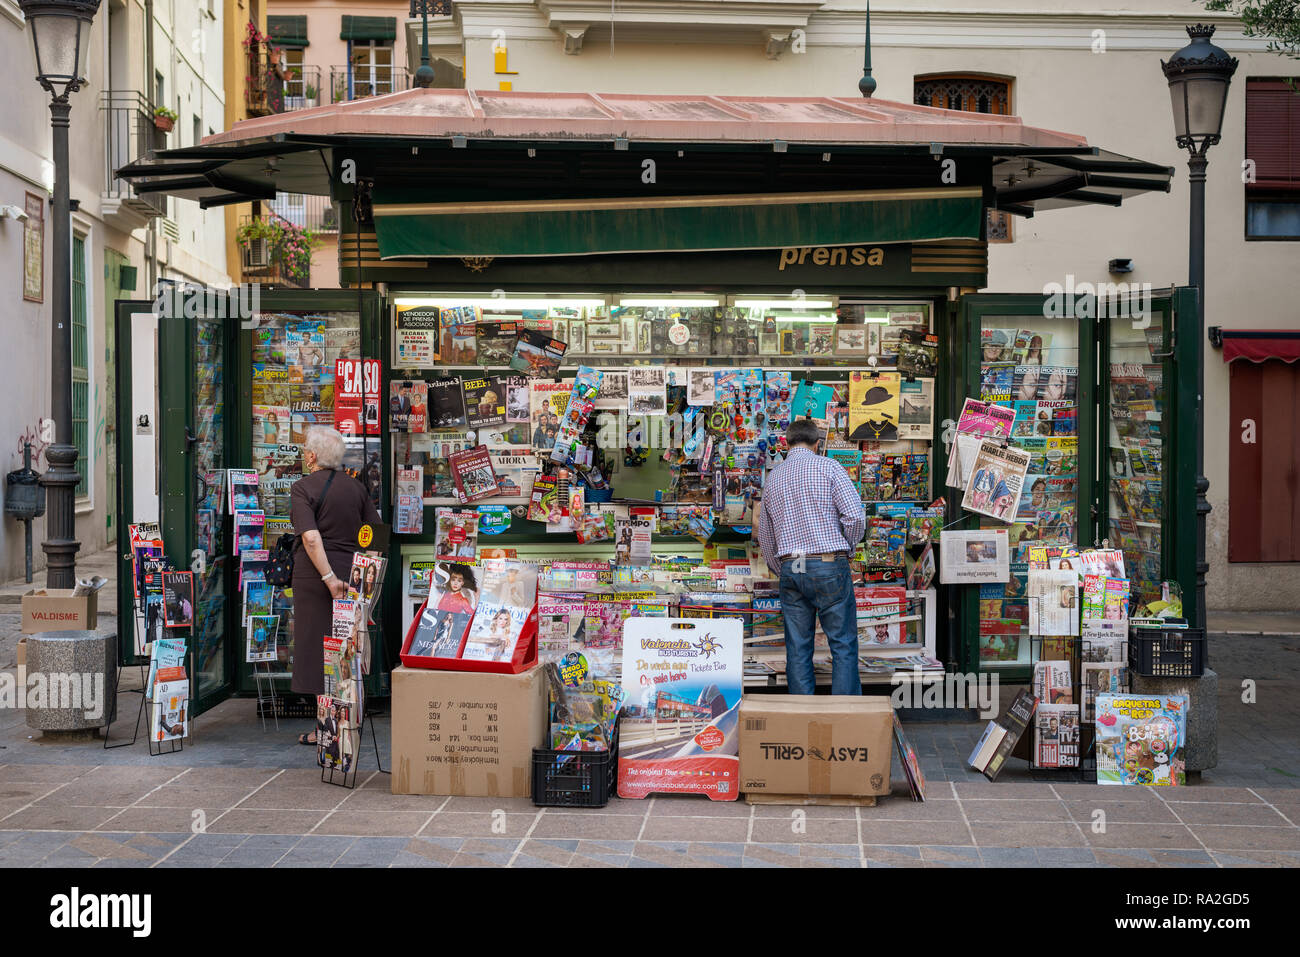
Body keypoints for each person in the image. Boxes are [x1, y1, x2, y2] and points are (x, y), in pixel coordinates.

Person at [754, 419, 866, 695]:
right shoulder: (830, 467)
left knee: (798, 648)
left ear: (786, 444)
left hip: (792, 566)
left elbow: (765, 537)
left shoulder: (774, 478)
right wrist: (847, 549)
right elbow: (854, 516)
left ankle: (802, 717)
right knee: (842, 645)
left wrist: (783, 569)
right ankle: (846, 716)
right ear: (818, 444)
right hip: (828, 563)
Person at [290, 425, 382, 746]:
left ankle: (325, 728)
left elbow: (311, 538)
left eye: (305, 450)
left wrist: (329, 579)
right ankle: (347, 722)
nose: (304, 454)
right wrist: (361, 579)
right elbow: (376, 536)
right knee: (345, 649)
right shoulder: (356, 489)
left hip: (317, 580)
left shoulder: (302, 488)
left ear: (313, 456)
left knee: (319, 652)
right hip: (352, 577)